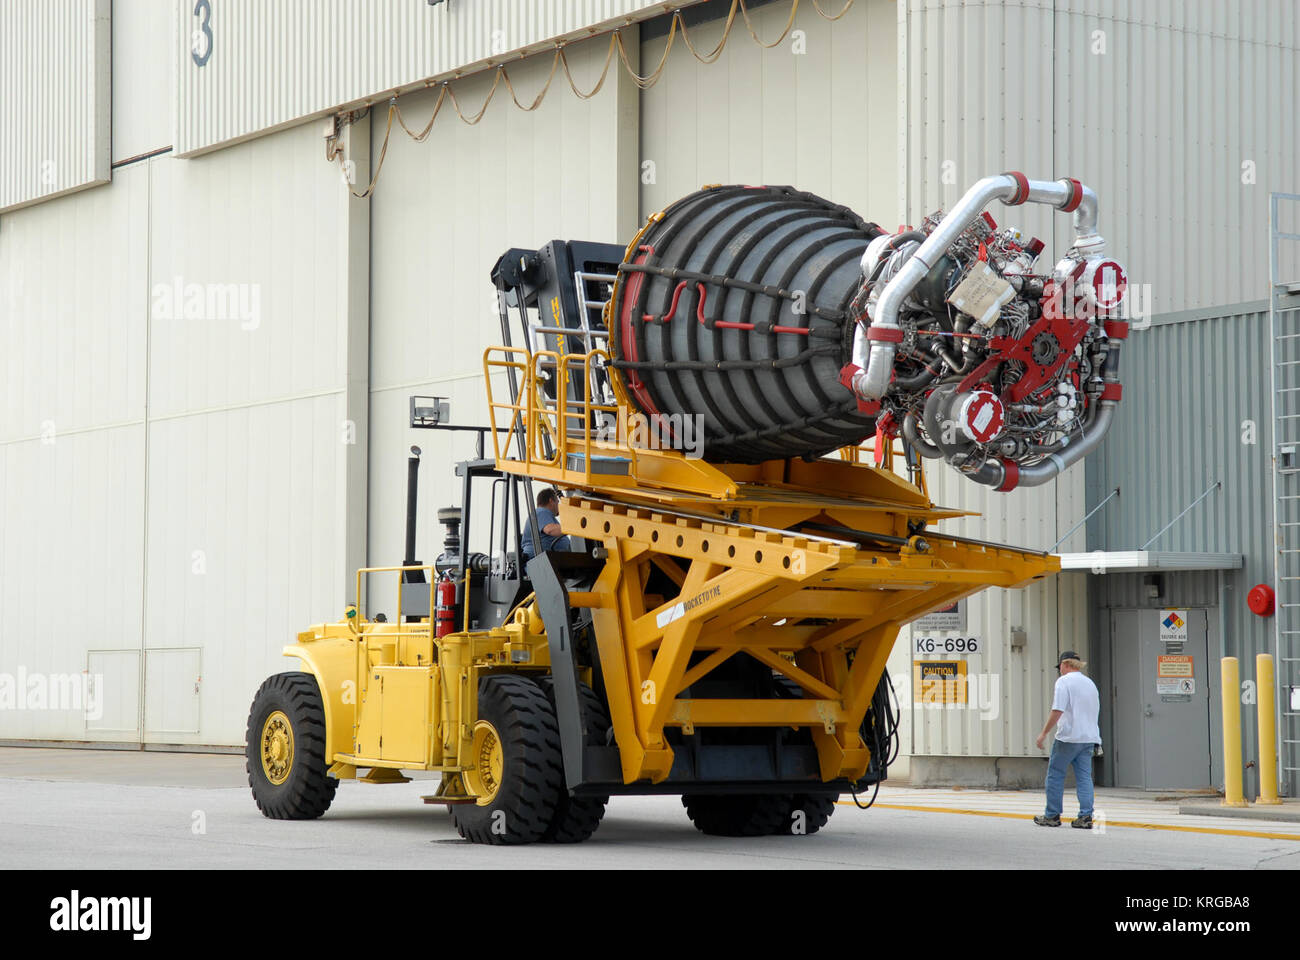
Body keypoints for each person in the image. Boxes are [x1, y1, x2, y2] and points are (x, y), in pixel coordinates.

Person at [1033, 650, 1101, 829]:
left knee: (1055, 775)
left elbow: (1057, 710)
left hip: (1068, 738)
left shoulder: (1063, 682)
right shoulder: (1090, 683)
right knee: (1085, 777)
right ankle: (1085, 816)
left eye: (1060, 667)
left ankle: (1052, 815)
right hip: (1089, 737)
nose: (1060, 670)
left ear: (1065, 664)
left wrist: (1043, 733)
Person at [521, 488, 572, 560]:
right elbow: (550, 530)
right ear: (551, 501)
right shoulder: (541, 512)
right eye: (557, 502)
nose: (559, 506)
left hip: (550, 558)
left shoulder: (546, 516)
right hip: (541, 561)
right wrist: (576, 527)